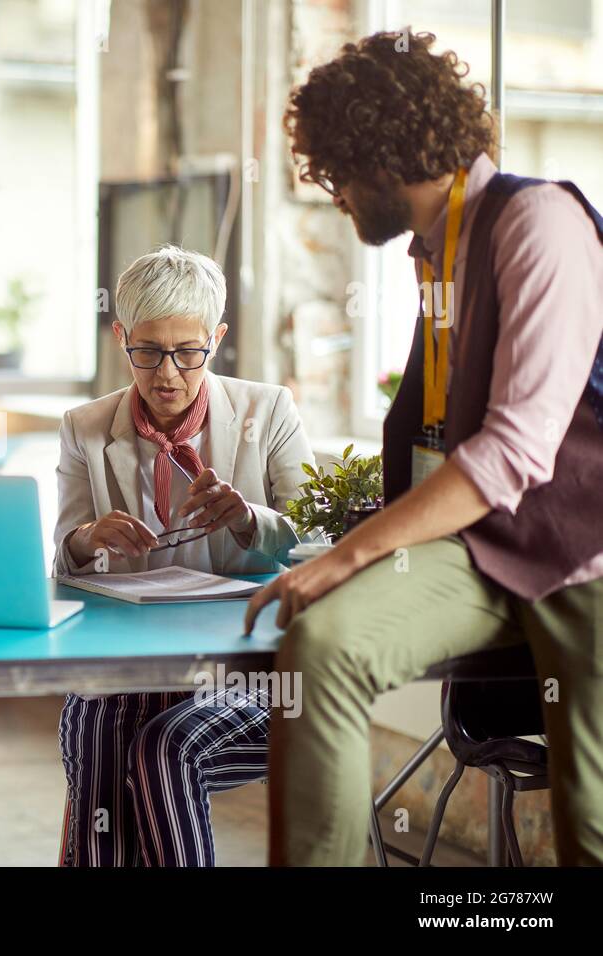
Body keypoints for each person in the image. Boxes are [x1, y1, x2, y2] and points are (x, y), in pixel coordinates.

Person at [254, 29, 603, 865]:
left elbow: (517, 446)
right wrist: (364, 550)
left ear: (378, 153)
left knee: (591, 823)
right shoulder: (434, 252)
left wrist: (350, 554)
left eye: (336, 170)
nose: (334, 193)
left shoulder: (539, 220)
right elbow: (439, 436)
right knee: (323, 651)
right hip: (485, 544)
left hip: (584, 546)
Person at [54, 245, 316, 865]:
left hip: (254, 668)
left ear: (217, 340)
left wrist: (253, 521)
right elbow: (64, 563)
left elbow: (318, 544)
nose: (166, 373)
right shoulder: (85, 428)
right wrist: (90, 539)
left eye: (187, 353)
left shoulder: (268, 410)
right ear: (121, 338)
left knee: (160, 747)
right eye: (146, 352)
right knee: (93, 723)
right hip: (141, 661)